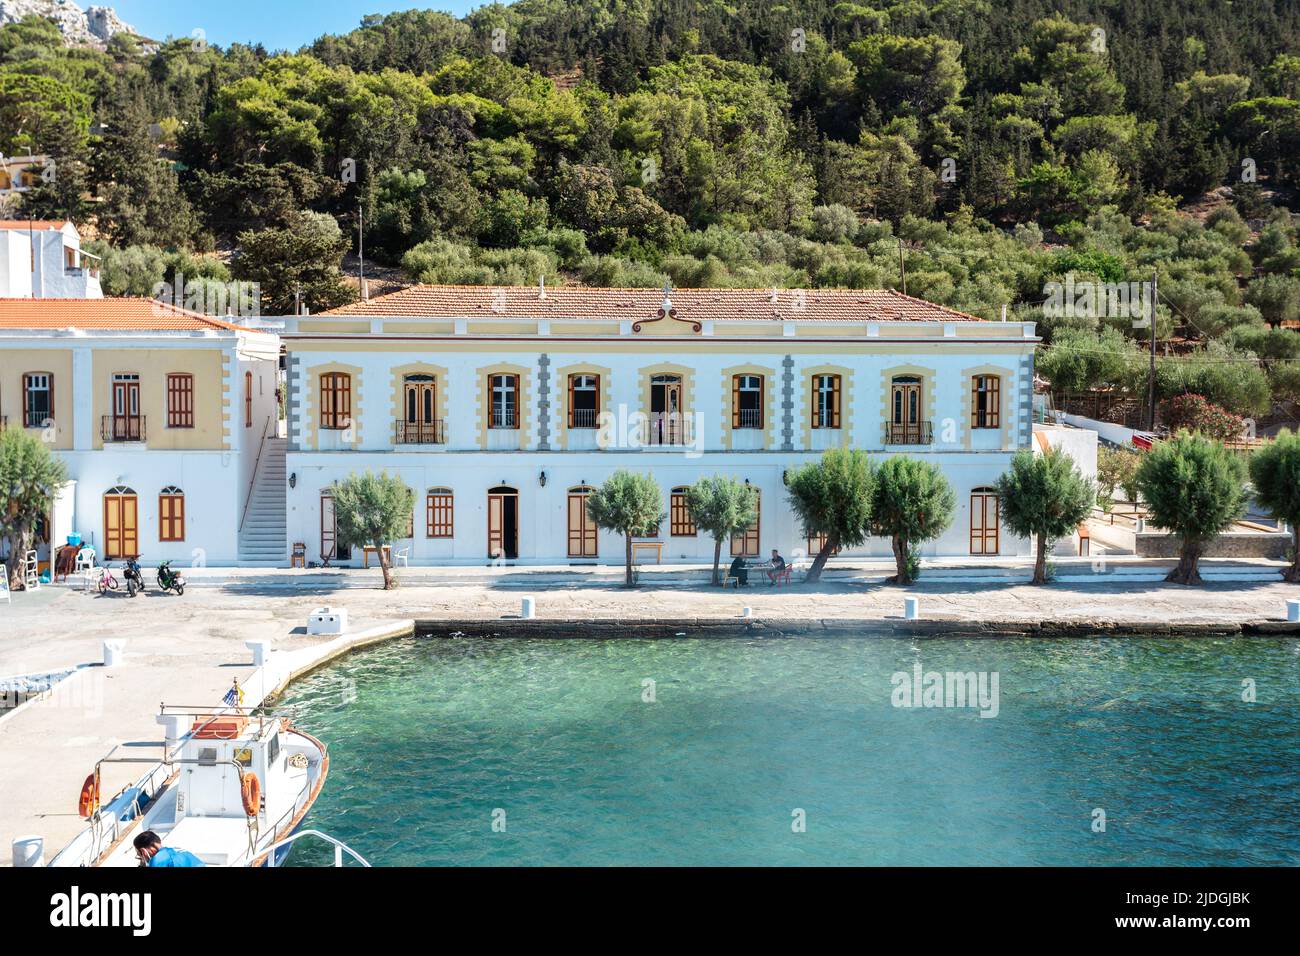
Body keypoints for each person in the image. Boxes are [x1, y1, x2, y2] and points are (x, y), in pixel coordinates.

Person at [134, 830, 205, 867]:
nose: (142, 858)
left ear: (143, 851)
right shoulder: (179, 850)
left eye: (140, 855)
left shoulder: (157, 860)